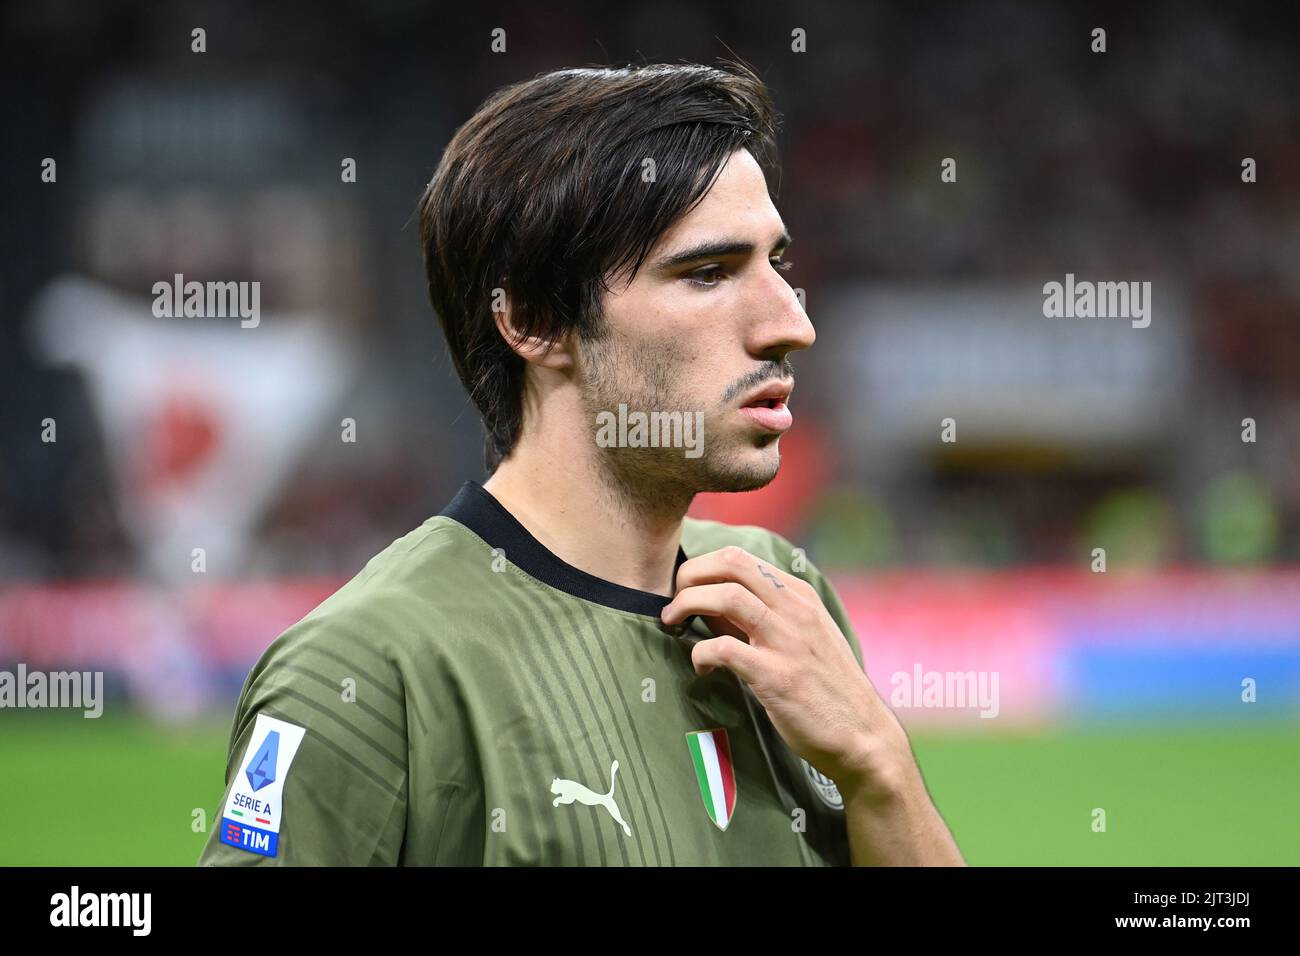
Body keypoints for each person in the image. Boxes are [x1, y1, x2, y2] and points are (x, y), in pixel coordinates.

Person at [199, 60, 963, 866]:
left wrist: (881, 767)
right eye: (707, 273)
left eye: (778, 265)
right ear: (531, 319)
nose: (790, 324)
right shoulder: (363, 673)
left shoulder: (777, 597)